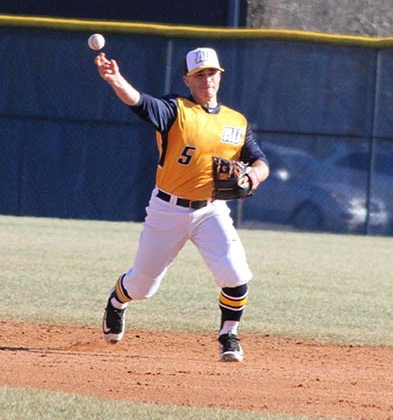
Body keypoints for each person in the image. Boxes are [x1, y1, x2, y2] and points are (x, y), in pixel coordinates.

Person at [94, 47, 270, 362]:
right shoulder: (175, 110)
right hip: (167, 209)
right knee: (142, 287)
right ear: (187, 80)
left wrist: (253, 176)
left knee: (235, 273)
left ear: (220, 76)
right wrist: (115, 79)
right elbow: (139, 102)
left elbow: (260, 161)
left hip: (210, 210)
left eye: (211, 73)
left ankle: (228, 336)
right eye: (199, 74)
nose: (206, 79)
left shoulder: (236, 121)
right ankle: (117, 301)